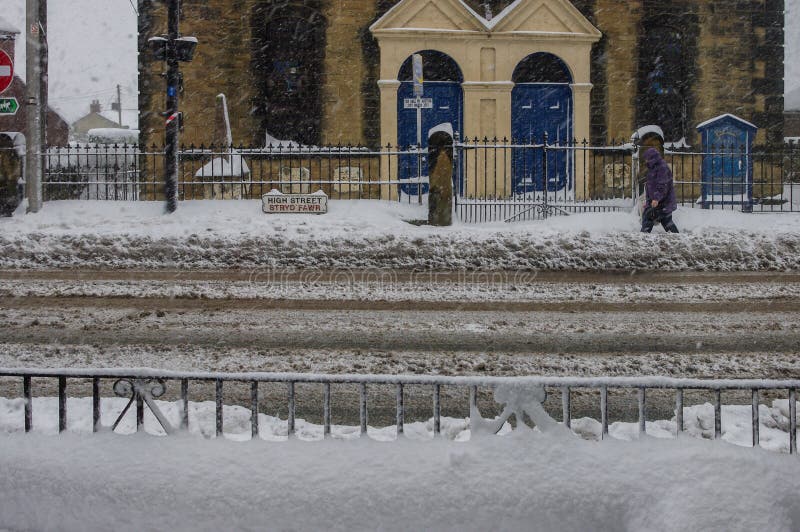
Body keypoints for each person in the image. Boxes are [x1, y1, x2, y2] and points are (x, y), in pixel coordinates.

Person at [640, 147, 679, 233]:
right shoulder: (654, 168)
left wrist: (656, 199)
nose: (646, 161)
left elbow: (663, 185)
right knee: (665, 221)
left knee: (649, 218)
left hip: (662, 201)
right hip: (659, 201)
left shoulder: (662, 168)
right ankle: (677, 237)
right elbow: (652, 185)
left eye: (647, 159)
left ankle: (644, 237)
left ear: (652, 158)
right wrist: (649, 200)